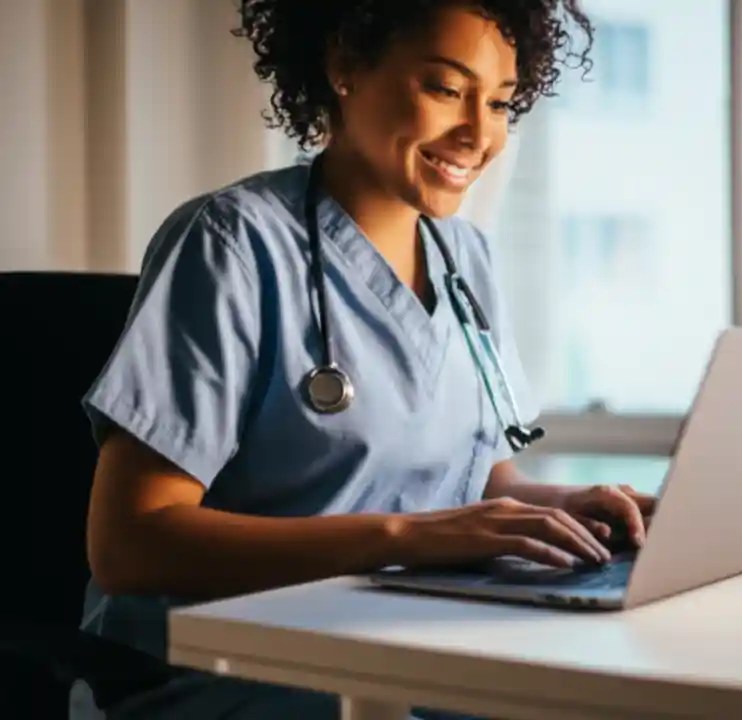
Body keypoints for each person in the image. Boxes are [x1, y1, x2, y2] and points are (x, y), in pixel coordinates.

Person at [70, 1, 654, 718]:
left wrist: (562, 511)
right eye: (445, 89)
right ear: (344, 64)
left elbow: (475, 472)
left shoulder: (465, 257)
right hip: (222, 663)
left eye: (500, 102)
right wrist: (406, 539)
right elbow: (130, 544)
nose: (480, 133)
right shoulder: (232, 244)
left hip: (404, 636)